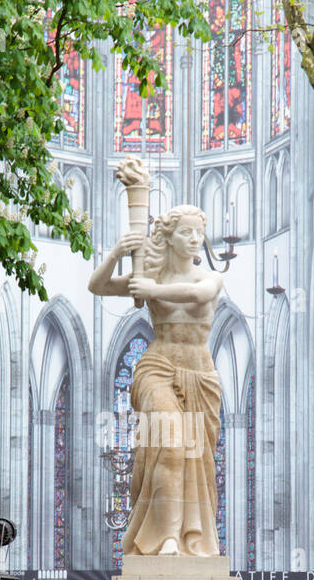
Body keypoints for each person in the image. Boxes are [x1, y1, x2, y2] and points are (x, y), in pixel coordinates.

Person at [88, 206, 224, 556]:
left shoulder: (208, 277)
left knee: (197, 459)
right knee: (170, 446)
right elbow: (97, 285)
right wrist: (117, 254)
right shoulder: (152, 275)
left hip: (200, 376)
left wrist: (152, 287)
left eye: (199, 232)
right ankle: (165, 538)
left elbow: (198, 295)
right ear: (169, 237)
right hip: (157, 368)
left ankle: (191, 537)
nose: (194, 239)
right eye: (186, 233)